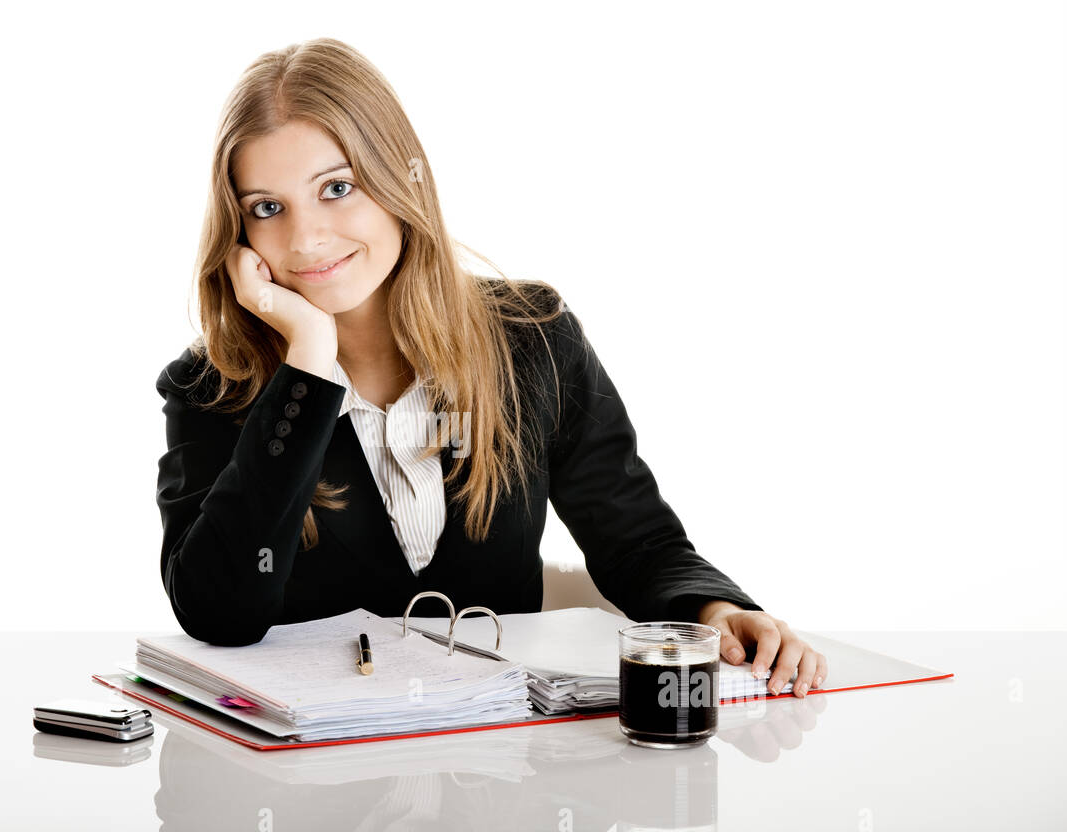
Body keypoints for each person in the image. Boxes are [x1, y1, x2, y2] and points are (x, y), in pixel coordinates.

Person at [155, 38, 827, 698]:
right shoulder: (213, 388)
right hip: (319, 787)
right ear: (240, 231)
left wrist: (714, 611)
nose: (305, 239)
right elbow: (219, 612)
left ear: (399, 181)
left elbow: (638, 541)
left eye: (338, 188)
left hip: (502, 776)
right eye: (267, 208)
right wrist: (307, 364)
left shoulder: (530, 339)